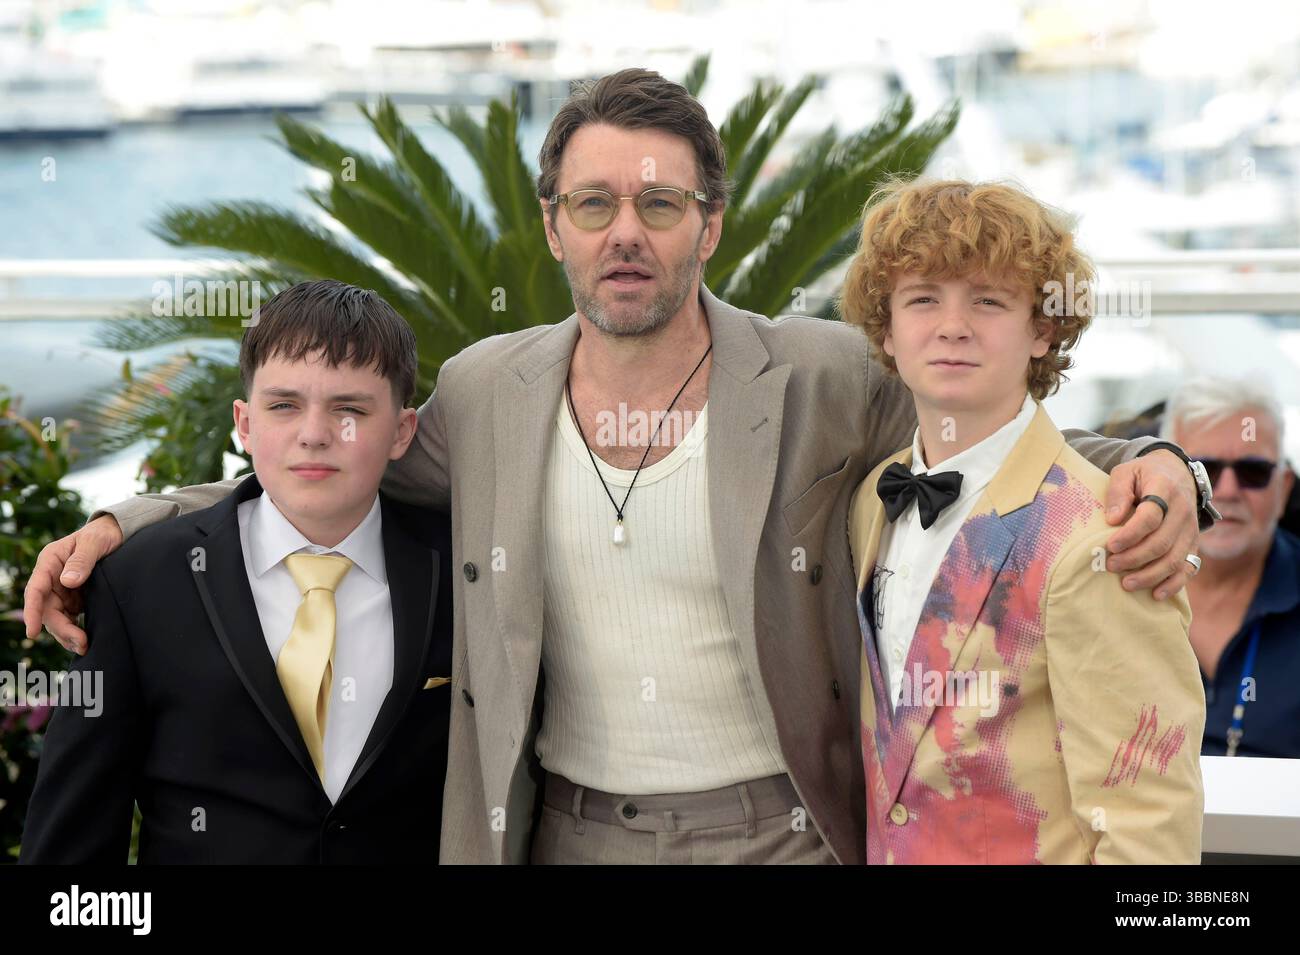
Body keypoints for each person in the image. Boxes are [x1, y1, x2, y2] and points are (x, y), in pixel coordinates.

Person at [23, 70, 1210, 865]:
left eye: (658, 201)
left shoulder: (814, 374)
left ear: (713, 222)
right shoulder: (489, 392)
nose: (624, 231)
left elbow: (988, 421)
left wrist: (1163, 465)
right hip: (565, 841)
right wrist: (135, 518)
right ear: (552, 226)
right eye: (593, 202)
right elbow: (329, 453)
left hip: (785, 839)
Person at [20, 281, 455, 863]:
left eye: (349, 409)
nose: (314, 434)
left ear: (402, 431)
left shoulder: (462, 572)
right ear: (244, 424)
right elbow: (71, 843)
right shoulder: (139, 581)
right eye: (284, 405)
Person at [841, 179, 1206, 863]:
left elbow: (1150, 816)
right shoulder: (872, 501)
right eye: (923, 298)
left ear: (1042, 329)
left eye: (988, 300)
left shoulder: (1099, 533)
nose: (953, 325)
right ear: (886, 330)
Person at [1163, 376, 1300, 758]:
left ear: (1284, 487)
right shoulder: (1107, 587)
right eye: (1203, 470)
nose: (1225, 490)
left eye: (1253, 471)